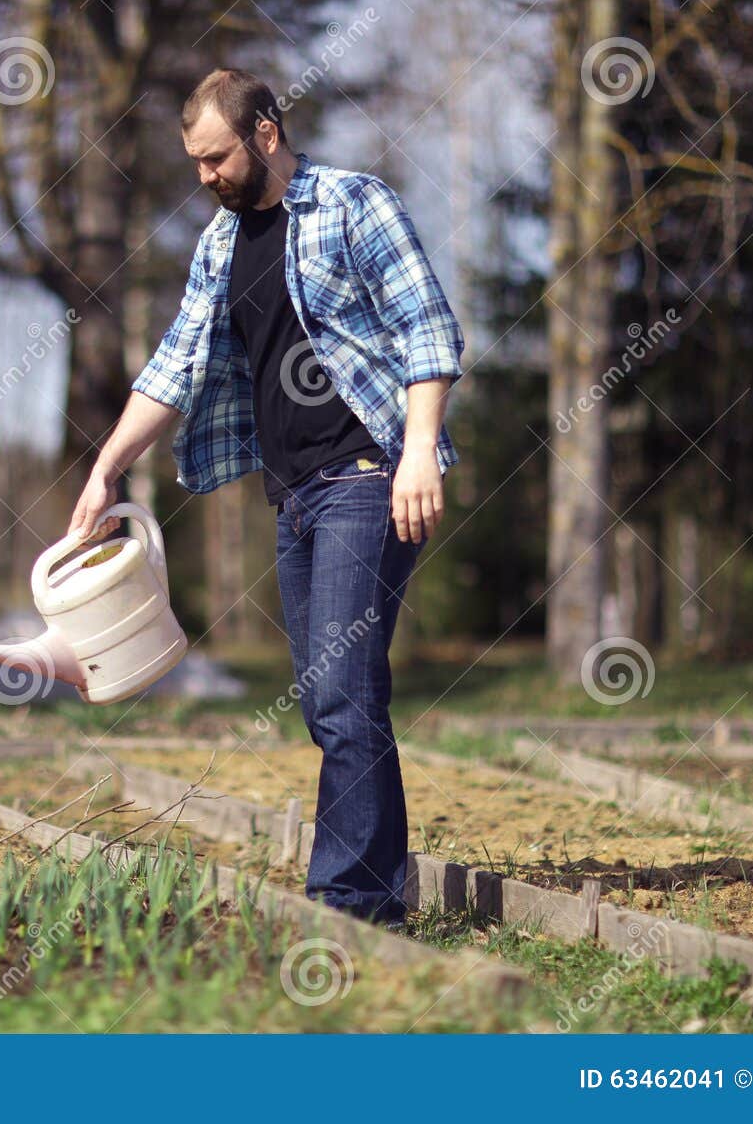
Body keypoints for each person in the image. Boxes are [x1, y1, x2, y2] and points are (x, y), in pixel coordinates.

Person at [66, 68, 465, 926]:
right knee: (332, 691)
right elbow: (176, 363)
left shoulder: (354, 204)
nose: (205, 176)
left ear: (266, 134)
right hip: (294, 498)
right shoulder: (219, 244)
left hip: (369, 475)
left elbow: (426, 325)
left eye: (216, 158)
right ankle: (378, 888)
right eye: (196, 163)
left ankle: (351, 902)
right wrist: (105, 468)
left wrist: (420, 449)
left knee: (343, 690)